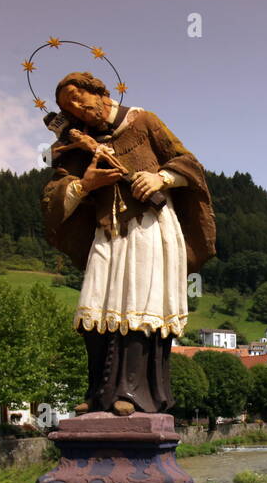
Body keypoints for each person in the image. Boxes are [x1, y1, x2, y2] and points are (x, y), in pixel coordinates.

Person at [41, 71, 216, 414]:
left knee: (139, 304)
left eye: (78, 98)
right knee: (97, 305)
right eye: (67, 106)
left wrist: (160, 177)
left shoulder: (143, 121)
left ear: (100, 92)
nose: (76, 108)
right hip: (107, 230)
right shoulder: (78, 141)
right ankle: (98, 394)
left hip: (148, 226)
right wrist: (86, 184)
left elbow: (190, 165)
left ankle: (133, 395)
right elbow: (53, 195)